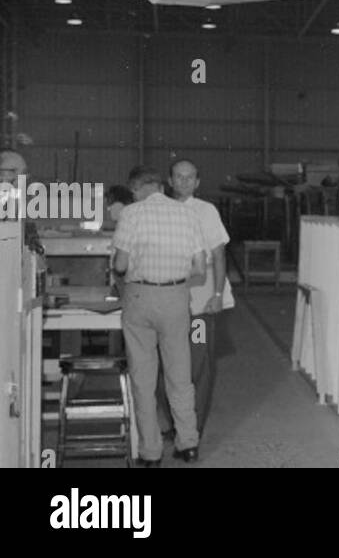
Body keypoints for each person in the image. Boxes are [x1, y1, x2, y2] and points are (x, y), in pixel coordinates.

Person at [112, 165, 205, 466]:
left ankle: (151, 453)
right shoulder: (189, 214)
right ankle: (188, 444)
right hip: (177, 298)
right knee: (180, 375)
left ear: (137, 189)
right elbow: (201, 269)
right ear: (162, 188)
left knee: (143, 378)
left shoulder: (132, 213)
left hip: (140, 297)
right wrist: (174, 279)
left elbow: (122, 266)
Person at [157, 158, 232, 437]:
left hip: (200, 301)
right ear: (170, 180)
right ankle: (177, 423)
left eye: (190, 177)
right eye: (179, 176)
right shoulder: (161, 211)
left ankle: (193, 429)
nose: (185, 182)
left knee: (197, 365)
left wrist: (217, 294)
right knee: (167, 364)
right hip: (167, 299)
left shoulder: (206, 211)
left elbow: (219, 255)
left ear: (197, 182)